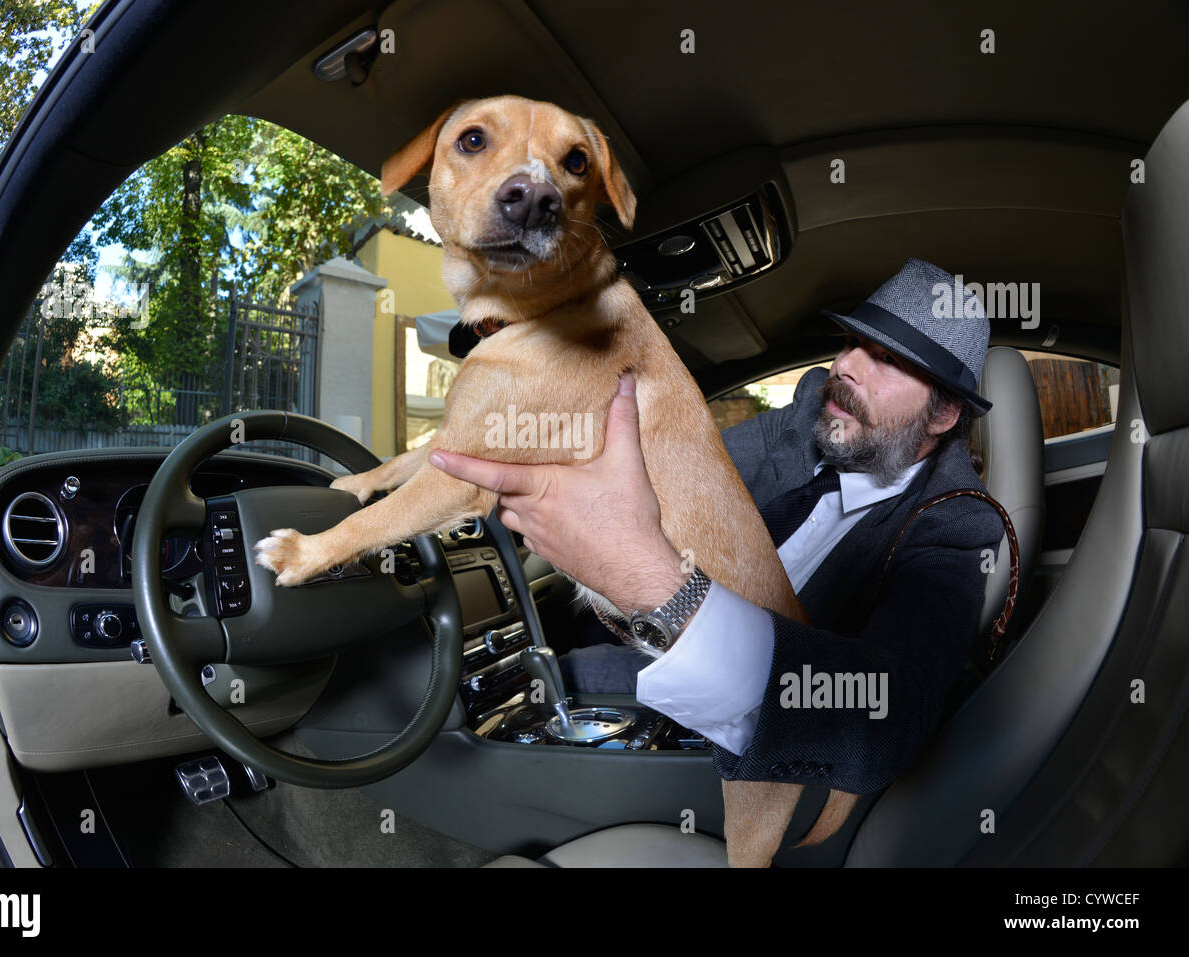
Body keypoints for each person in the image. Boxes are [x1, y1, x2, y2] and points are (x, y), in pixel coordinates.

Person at [429, 258, 1005, 795]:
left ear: (945, 414)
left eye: (888, 361)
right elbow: (666, 468)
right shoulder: (803, 422)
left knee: (518, 687)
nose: (846, 366)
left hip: (754, 746)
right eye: (855, 344)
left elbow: (889, 718)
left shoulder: (953, 522)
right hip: (639, 639)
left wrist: (657, 590)